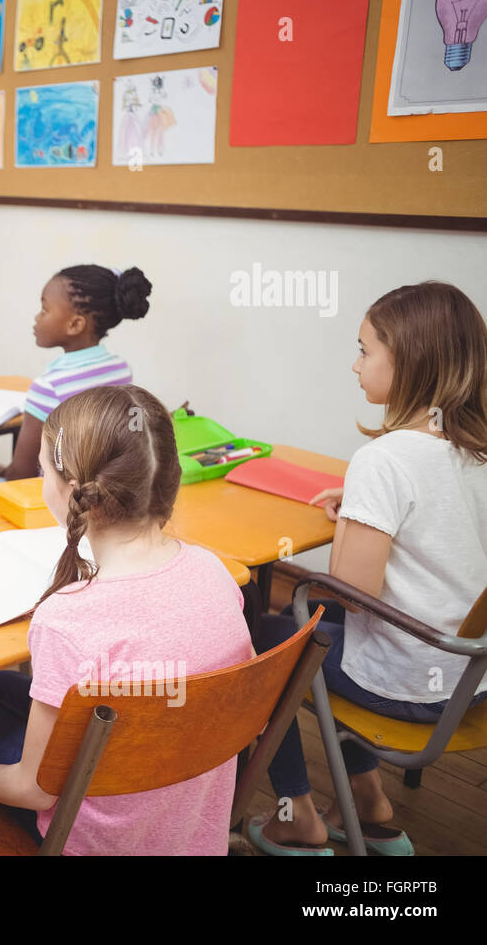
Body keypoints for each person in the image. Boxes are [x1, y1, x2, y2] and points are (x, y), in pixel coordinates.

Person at [0, 385, 251, 855]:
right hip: (190, 829)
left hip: (94, 841)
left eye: (42, 469)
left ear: (73, 490)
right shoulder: (215, 571)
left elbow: (37, 790)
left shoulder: (66, 620)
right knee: (3, 688)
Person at [248, 281, 487, 857]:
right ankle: (371, 806)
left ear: (405, 362)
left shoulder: (383, 461)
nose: (355, 366)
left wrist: (359, 514)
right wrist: (361, 510)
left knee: (269, 638)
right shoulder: (476, 451)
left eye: (364, 350)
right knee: (317, 632)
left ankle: (297, 816)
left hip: (404, 686)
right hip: (469, 680)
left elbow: (350, 596)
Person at [0, 265, 149, 523]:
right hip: (101, 499)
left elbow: (22, 474)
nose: (36, 318)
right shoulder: (120, 369)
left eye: (44, 309)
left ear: (75, 324)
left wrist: (5, 476)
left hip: (49, 506)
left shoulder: (49, 386)